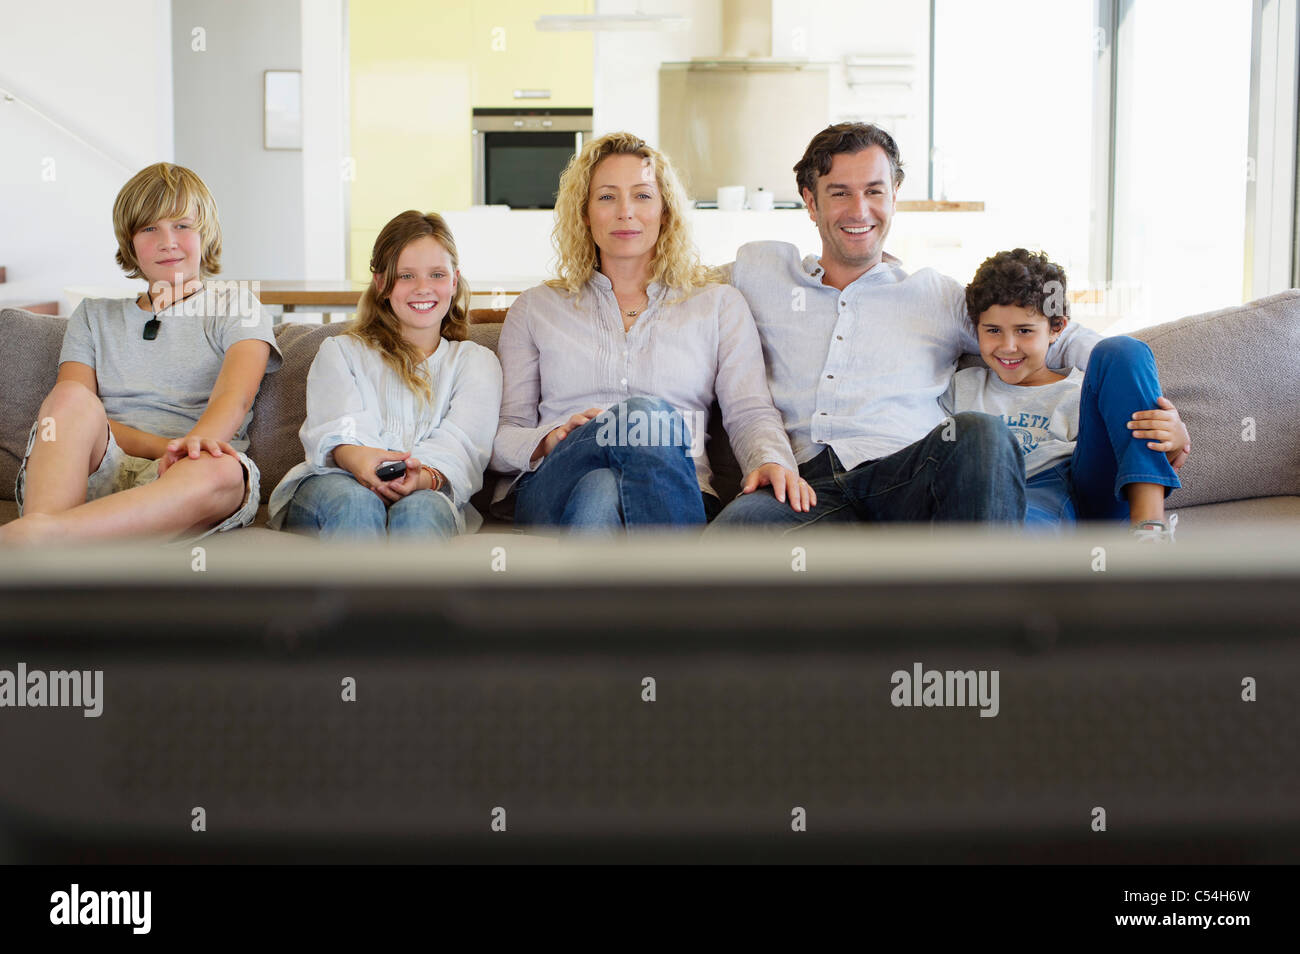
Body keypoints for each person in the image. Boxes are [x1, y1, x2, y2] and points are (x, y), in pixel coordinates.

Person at [708, 122, 1188, 532]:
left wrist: (1151, 410)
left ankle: (980, 626)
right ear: (810, 202)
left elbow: (1044, 335)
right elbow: (671, 287)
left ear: (894, 197)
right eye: (840, 193)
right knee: (730, 538)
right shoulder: (760, 268)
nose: (860, 211)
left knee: (980, 433)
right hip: (803, 486)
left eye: (875, 192)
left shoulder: (936, 295)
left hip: (911, 475)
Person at [490, 131, 809, 533]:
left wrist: (772, 460)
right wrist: (550, 439)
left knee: (602, 489)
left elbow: (750, 411)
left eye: (642, 195)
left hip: (679, 487)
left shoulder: (718, 305)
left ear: (665, 211)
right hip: (553, 484)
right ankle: (678, 584)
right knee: (644, 417)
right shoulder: (536, 308)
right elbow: (501, 440)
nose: (626, 211)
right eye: (607, 197)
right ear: (584, 213)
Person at [1, 162, 280, 546]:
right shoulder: (93, 316)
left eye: (182, 225)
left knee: (225, 471)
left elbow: (235, 397)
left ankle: (45, 535)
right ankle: (53, 536)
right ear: (130, 242)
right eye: (150, 228)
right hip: (101, 464)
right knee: (67, 398)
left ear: (205, 233)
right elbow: (73, 415)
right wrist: (163, 448)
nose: (168, 240)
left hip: (190, 475)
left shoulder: (238, 306)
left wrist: (187, 451)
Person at [269, 211, 502, 541]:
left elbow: (463, 445)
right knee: (357, 502)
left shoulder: (477, 363)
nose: (423, 288)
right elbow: (338, 430)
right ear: (382, 283)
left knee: (420, 511)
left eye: (436, 274)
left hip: (429, 490)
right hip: (339, 484)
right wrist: (363, 462)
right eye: (406, 276)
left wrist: (420, 477)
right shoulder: (341, 351)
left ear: (454, 280)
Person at [944, 248, 1186, 539]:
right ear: (976, 329)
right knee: (1011, 529)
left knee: (1122, 349)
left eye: (1024, 331)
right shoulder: (962, 386)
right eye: (993, 330)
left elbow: (1135, 439)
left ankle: (1151, 528)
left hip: (1086, 487)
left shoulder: (1085, 388)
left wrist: (1173, 438)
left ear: (1056, 328)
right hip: (1012, 499)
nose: (1008, 346)